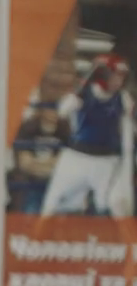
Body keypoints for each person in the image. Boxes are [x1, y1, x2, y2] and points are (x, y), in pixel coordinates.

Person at [40, 53, 135, 218]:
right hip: (76, 157)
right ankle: (37, 239)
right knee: (53, 203)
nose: (118, 81)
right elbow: (62, 111)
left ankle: (121, 242)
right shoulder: (82, 95)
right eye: (114, 76)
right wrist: (78, 93)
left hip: (108, 160)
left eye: (121, 77)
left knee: (112, 205)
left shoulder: (123, 98)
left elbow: (130, 124)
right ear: (102, 76)